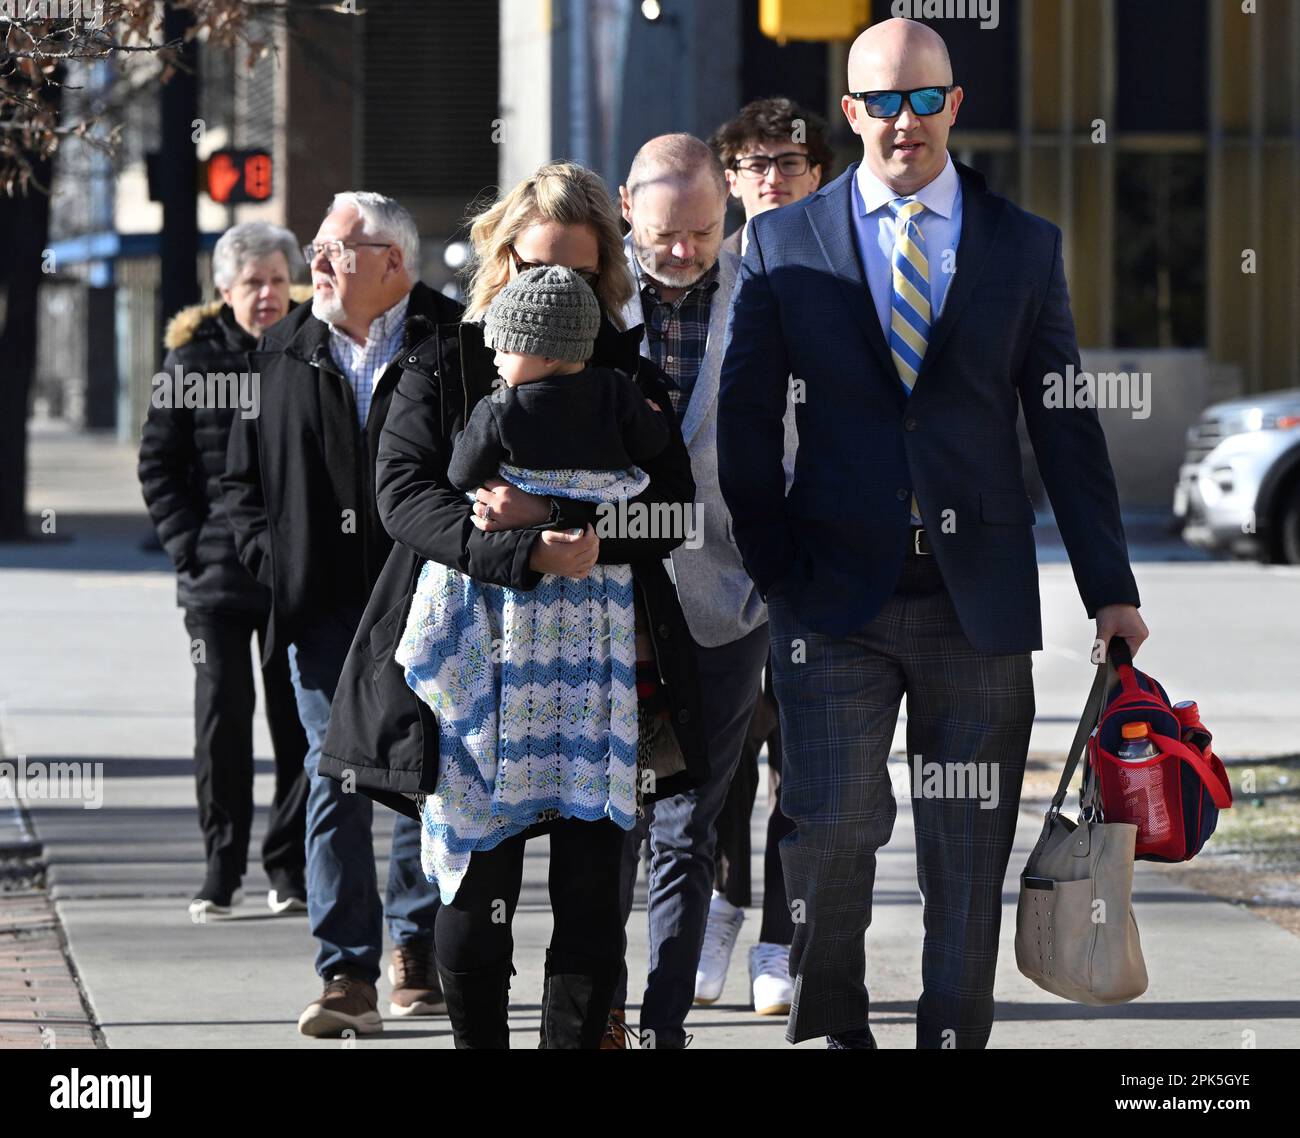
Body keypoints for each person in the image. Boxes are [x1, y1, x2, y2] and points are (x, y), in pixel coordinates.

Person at [717, 17, 1150, 1049]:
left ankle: (951, 1036)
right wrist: (774, 564)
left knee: (966, 851)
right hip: (830, 600)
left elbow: (1064, 422)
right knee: (829, 834)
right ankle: (836, 1022)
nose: (902, 122)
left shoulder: (1022, 245)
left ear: (952, 104)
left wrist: (1110, 590)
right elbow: (742, 417)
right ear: (853, 110)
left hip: (978, 602)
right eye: (881, 101)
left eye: (923, 99)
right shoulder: (784, 241)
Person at [318, 162, 706, 1049]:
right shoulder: (438, 364)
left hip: (599, 669)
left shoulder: (627, 378)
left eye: (573, 272)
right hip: (471, 660)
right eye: (534, 268)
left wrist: (576, 527)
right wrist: (526, 548)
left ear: (604, 274)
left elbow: (675, 506)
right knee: (475, 879)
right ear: (500, 261)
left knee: (590, 885)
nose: (551, 287)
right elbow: (408, 499)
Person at [223, 191, 461, 1038]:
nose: (316, 263)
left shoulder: (454, 341)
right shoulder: (281, 349)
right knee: (338, 780)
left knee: (421, 780)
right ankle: (345, 974)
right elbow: (238, 480)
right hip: (320, 612)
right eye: (317, 247)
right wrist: (273, 561)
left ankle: (415, 945)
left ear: (392, 263)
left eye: (334, 248)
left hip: (428, 605)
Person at [399, 264, 672, 904]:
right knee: (588, 862)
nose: (492, 353)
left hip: (509, 617)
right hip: (599, 609)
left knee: (489, 778)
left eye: (505, 343)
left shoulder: (502, 409)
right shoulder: (618, 391)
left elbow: (463, 472)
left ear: (544, 351)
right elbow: (654, 449)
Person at [609, 133, 798, 1049]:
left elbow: (801, 434)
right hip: (602, 601)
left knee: (687, 825)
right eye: (665, 234)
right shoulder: (592, 302)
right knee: (608, 821)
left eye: (703, 231)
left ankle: (663, 1024)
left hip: (728, 601)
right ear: (625, 209)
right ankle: (601, 1008)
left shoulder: (767, 297)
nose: (684, 251)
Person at [702, 96, 832, 1015]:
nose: (770, 179)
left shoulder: (842, 264)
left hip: (818, 541)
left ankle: (781, 941)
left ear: (818, 173)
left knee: (802, 749)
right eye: (751, 165)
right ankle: (721, 907)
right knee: (718, 752)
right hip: (713, 544)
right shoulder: (709, 271)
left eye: (788, 163)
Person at [138, 221, 309, 919]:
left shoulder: (307, 350)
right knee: (222, 721)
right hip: (214, 583)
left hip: (292, 578)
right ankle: (221, 867)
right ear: (225, 289)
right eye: (253, 283)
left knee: (298, 725)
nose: (267, 295)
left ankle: (288, 870)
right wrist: (188, 546)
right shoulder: (190, 362)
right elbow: (158, 465)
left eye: (276, 280)